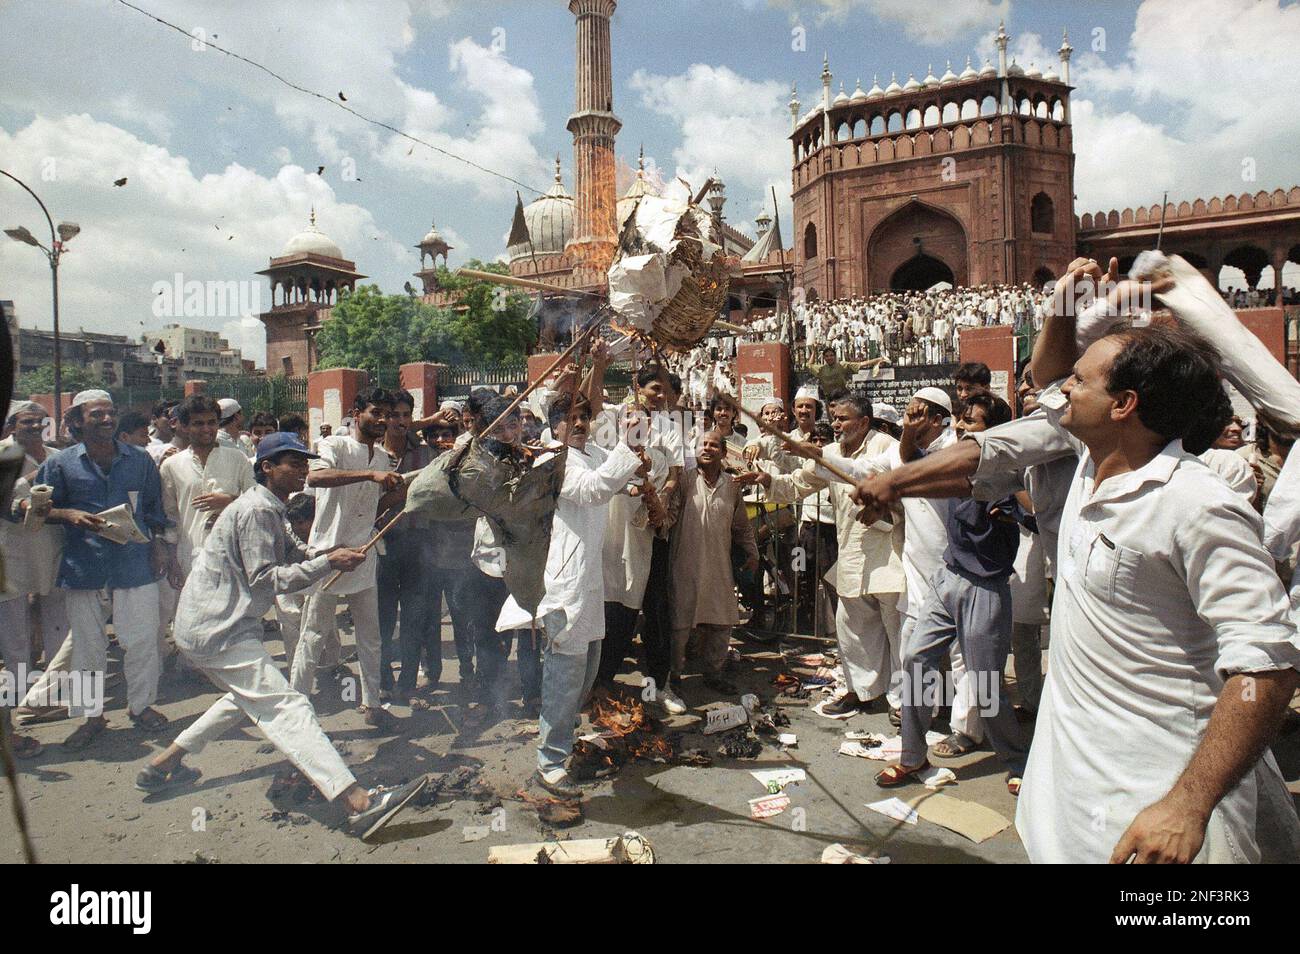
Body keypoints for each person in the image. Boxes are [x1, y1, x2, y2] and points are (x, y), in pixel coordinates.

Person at [853, 260, 1300, 863]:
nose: (1058, 390)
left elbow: (1266, 668)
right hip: (1071, 797)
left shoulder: (1199, 505)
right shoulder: (1091, 469)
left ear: (1124, 405)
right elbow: (1017, 419)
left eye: (1079, 383)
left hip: (1160, 803)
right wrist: (1064, 303)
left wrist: (1189, 805)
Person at [134, 433, 427, 839]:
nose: (303, 468)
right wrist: (327, 564)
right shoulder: (256, 510)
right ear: (267, 467)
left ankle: (166, 761)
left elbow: (293, 552)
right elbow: (266, 578)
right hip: (219, 629)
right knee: (289, 707)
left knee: (243, 697)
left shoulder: (271, 507)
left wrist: (328, 555)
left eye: (304, 461)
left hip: (213, 626)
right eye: (292, 461)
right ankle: (357, 802)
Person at [874, 390, 1030, 793]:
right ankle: (912, 756)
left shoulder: (1009, 472)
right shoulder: (954, 462)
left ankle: (1018, 762)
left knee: (985, 686)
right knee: (915, 658)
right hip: (949, 577)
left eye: (972, 423)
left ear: (994, 433)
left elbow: (1033, 511)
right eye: (960, 421)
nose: (960, 429)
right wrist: (908, 432)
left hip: (986, 589)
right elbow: (910, 462)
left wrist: (1011, 493)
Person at [743, 393, 905, 719]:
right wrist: (769, 480)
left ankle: (903, 704)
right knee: (851, 629)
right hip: (851, 555)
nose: (835, 424)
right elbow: (800, 483)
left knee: (897, 631)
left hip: (889, 555)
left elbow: (884, 485)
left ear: (863, 422)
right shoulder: (828, 452)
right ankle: (862, 691)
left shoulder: (887, 447)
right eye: (834, 418)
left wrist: (819, 458)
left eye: (842, 419)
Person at [517, 391, 645, 798]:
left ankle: (563, 744)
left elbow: (620, 477)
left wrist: (636, 448)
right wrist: (626, 448)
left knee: (586, 673)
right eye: (570, 418)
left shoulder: (589, 453)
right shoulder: (550, 461)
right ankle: (550, 763)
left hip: (590, 583)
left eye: (584, 417)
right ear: (553, 424)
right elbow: (591, 490)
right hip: (564, 585)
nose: (579, 424)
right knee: (564, 676)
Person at [34, 389, 170, 750]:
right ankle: (91, 718)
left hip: (133, 563)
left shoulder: (139, 460)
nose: (107, 420)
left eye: (110, 414)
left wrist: (157, 548)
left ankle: (141, 707)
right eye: (96, 415)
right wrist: (68, 514)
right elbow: (39, 507)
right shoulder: (62, 464)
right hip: (85, 566)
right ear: (77, 421)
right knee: (87, 648)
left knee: (141, 640)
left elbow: (154, 510)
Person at [291, 389, 402, 729]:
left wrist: (399, 494)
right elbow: (315, 478)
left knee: (370, 636)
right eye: (376, 412)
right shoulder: (333, 446)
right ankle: (294, 710)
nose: (382, 420)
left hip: (363, 553)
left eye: (387, 414)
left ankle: (372, 704)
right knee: (313, 634)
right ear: (357, 413)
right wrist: (370, 476)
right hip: (328, 554)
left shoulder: (383, 459)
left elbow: (370, 508)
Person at [159, 396, 256, 666]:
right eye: (198, 423)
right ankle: (193, 667)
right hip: (188, 552)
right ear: (185, 427)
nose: (206, 429)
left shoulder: (237, 459)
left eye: (211, 422)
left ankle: (225, 669)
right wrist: (172, 560)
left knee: (229, 616)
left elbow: (257, 504)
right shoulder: (172, 466)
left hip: (231, 554)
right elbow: (170, 517)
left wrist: (230, 501)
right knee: (191, 615)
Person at [668, 428, 759, 702]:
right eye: (702, 444)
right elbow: (668, 516)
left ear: (723, 452)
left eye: (713, 445)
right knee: (681, 624)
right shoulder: (683, 480)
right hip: (685, 563)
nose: (707, 449)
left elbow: (741, 526)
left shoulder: (731, 485)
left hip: (719, 566)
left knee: (721, 623)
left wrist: (752, 553)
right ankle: (674, 677)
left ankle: (714, 674)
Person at [0, 401, 67, 750]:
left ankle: (52, 695)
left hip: (51, 546)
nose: (33, 426)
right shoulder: (5, 454)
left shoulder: (54, 454)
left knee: (59, 623)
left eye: (39, 422)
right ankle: (20, 703)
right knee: (15, 639)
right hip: (12, 552)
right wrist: (34, 477)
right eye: (26, 421)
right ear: (13, 425)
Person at [807, 346, 888, 399]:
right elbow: (809, 365)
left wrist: (877, 360)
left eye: (831, 355)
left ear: (835, 356)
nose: (829, 358)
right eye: (827, 356)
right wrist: (814, 351)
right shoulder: (820, 369)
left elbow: (861, 364)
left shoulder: (842, 365)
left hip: (843, 397)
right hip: (829, 399)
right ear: (824, 358)